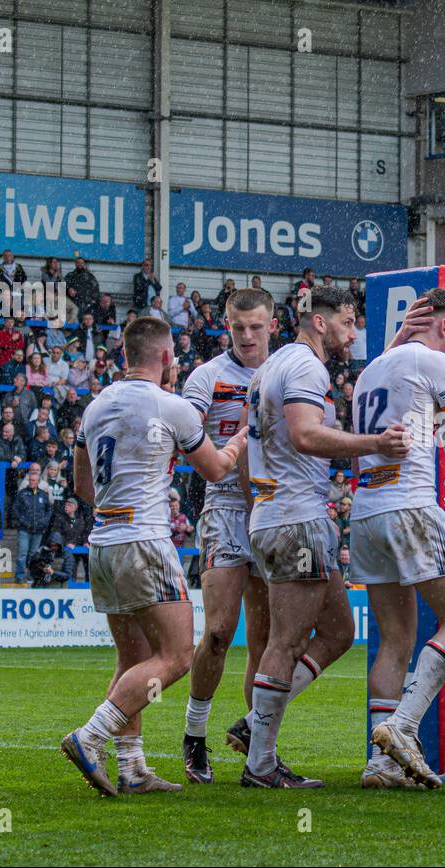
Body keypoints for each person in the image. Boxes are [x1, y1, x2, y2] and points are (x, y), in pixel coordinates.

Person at [62, 315, 245, 798]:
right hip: (144, 542)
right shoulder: (172, 405)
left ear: (125, 355)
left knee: (133, 659)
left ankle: (133, 768)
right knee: (177, 656)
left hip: (102, 541)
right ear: (166, 358)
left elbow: (83, 486)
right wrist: (242, 438)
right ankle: (91, 735)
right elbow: (216, 469)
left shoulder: (95, 407)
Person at [242, 287, 409, 788]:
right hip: (295, 517)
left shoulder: (273, 366)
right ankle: (261, 763)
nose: (352, 333)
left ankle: (255, 727)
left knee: (338, 630)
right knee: (285, 641)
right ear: (320, 321)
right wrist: (376, 442)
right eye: (347, 321)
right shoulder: (305, 368)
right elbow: (306, 435)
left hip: (280, 512)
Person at [350, 288, 445, 789]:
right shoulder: (430, 360)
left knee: (394, 640)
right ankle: (404, 725)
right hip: (410, 506)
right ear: (443, 324)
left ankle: (381, 763)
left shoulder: (373, 370)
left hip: (367, 509)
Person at [179, 289, 299, 785]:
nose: (246, 337)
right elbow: (184, 432)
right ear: (225, 325)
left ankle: (260, 750)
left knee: (267, 640)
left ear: (272, 325)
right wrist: (230, 448)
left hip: (273, 509)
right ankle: (194, 735)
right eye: (237, 327)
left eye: (255, 327)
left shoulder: (290, 370)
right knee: (220, 630)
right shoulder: (207, 376)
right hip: (226, 507)